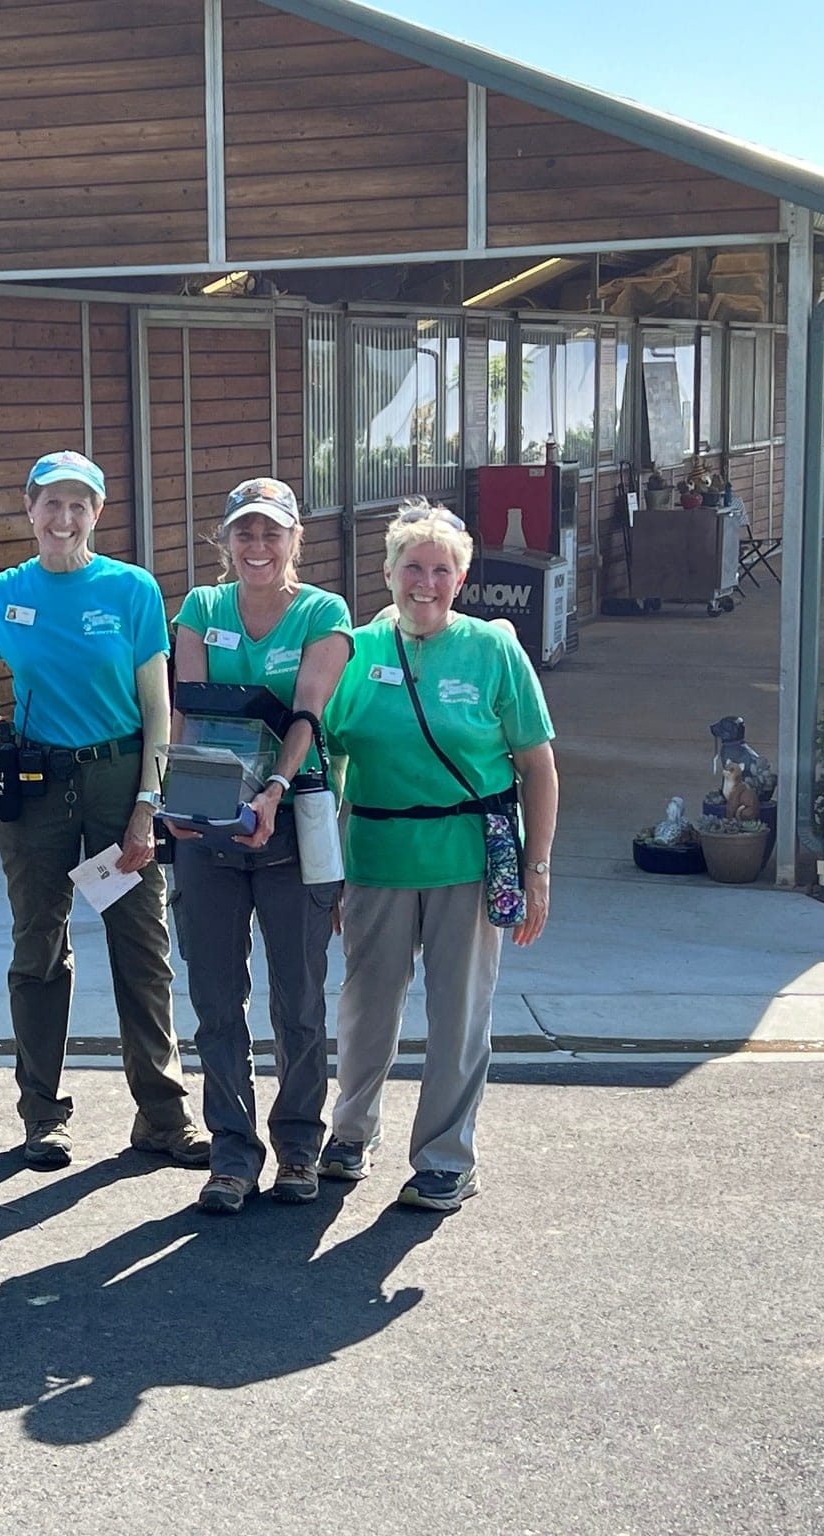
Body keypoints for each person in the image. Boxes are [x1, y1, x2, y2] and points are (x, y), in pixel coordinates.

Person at [0, 451, 209, 1171]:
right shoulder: (5, 595)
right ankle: (42, 1116)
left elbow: (157, 709)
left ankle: (163, 1116)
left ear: (97, 514)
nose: (64, 518)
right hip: (40, 790)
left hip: (117, 788)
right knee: (40, 950)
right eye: (52, 502)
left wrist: (147, 805)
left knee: (140, 948)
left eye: (79, 504)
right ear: (29, 508)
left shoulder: (131, 590)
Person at [319, 499, 559, 1213]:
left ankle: (445, 1160)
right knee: (366, 1008)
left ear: (461, 578)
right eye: (412, 567)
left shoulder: (493, 650)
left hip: (468, 860)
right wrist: (323, 867)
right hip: (375, 857)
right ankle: (351, 1134)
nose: (425, 582)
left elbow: (538, 767)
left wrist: (538, 870)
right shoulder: (354, 650)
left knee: (459, 1014)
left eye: (441, 570)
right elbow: (327, 763)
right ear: (388, 572)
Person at [170, 477, 352, 1215]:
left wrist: (272, 792)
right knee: (216, 999)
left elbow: (307, 713)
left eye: (271, 533)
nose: (257, 547)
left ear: (294, 540)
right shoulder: (199, 609)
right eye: (244, 533)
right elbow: (189, 714)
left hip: (293, 823)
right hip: (209, 826)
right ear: (225, 540)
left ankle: (300, 1146)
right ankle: (232, 1154)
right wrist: (177, 802)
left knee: (300, 999)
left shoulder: (323, 613)